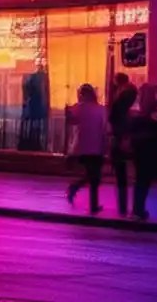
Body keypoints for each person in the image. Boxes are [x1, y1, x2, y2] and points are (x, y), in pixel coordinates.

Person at [67, 83, 108, 215]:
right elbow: (105, 129)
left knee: (92, 176)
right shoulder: (100, 109)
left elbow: (71, 120)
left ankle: (75, 188)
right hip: (96, 147)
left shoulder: (79, 108)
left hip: (83, 147)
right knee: (94, 177)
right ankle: (92, 205)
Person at [129, 84, 157, 221]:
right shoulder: (156, 115)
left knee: (140, 181)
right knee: (143, 181)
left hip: (140, 151)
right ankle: (138, 210)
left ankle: (137, 210)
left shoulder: (138, 115)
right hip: (150, 151)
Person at [108, 72, 139, 216]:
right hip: (125, 138)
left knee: (121, 175)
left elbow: (114, 116)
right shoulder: (130, 99)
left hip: (121, 138)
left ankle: (123, 207)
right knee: (125, 175)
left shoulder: (122, 101)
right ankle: (125, 206)